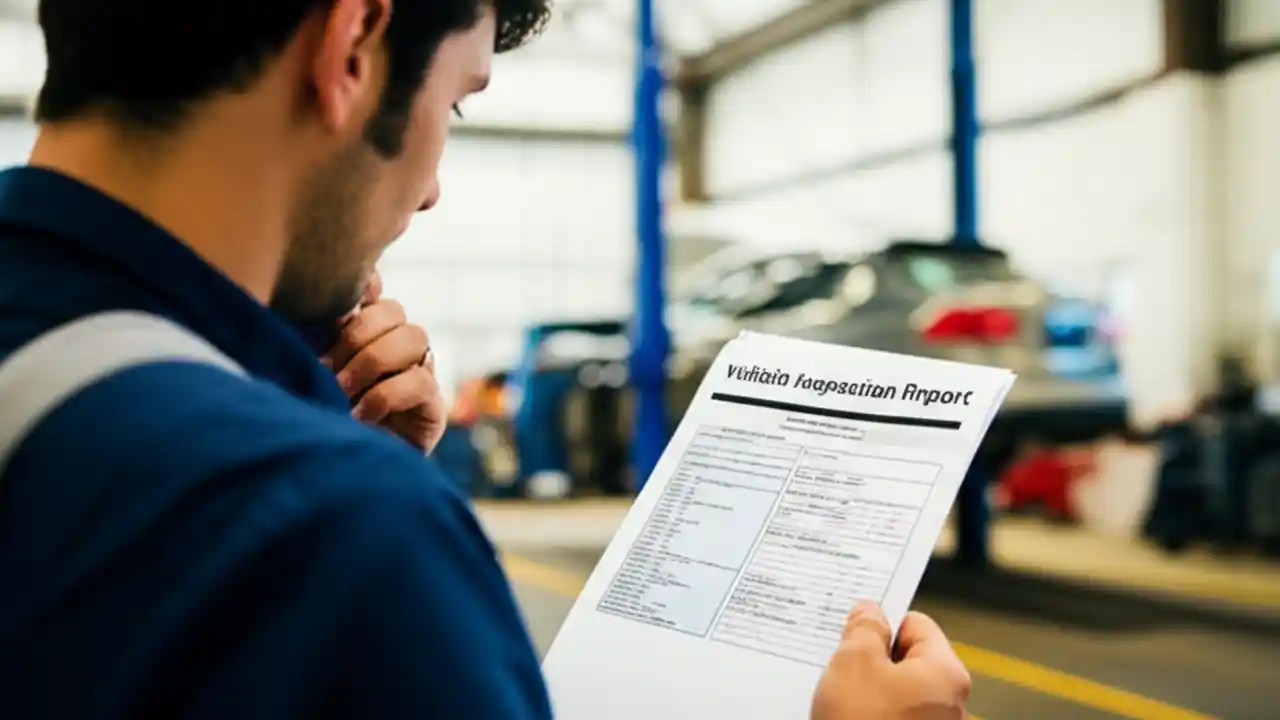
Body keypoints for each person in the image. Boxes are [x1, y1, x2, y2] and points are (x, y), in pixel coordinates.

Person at [0, 1, 971, 718]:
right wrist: (337, 499)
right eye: (456, 105)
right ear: (349, 48)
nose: (427, 194)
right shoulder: (325, 526)